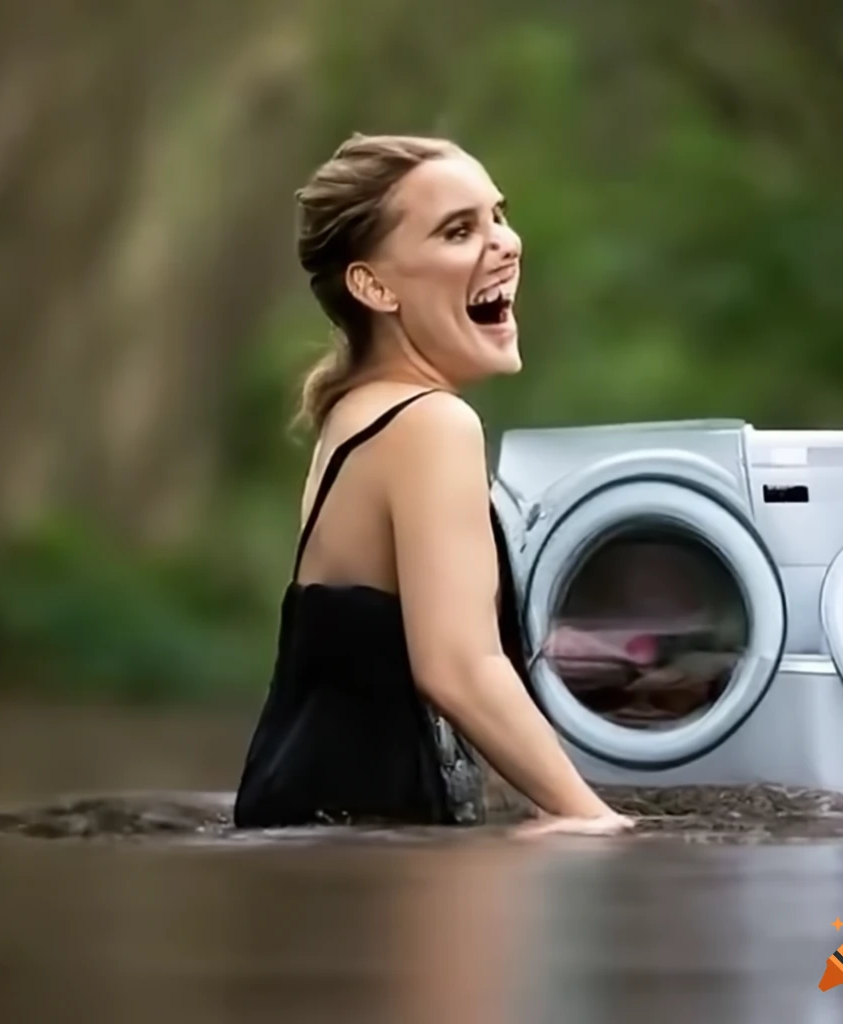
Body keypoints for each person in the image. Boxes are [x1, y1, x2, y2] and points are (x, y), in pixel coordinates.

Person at [232, 133, 634, 837]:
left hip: (314, 835)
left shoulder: (355, 414)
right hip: (366, 851)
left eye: (498, 217)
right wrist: (594, 820)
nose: (506, 243)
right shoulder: (429, 423)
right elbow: (457, 667)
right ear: (373, 285)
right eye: (459, 231)